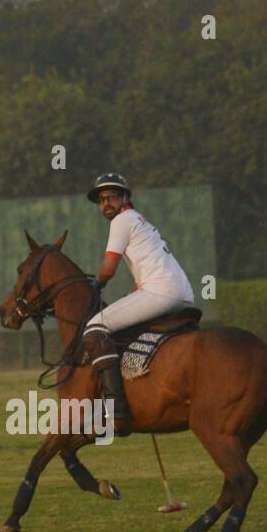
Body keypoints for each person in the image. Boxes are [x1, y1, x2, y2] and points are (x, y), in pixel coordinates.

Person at [84, 172, 195, 434]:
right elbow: (140, 277)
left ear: (125, 197)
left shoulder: (122, 221)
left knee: (95, 328)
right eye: (101, 200)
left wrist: (97, 284)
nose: (106, 204)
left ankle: (116, 410)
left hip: (162, 293)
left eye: (111, 197)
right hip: (182, 294)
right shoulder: (139, 221)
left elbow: (108, 268)